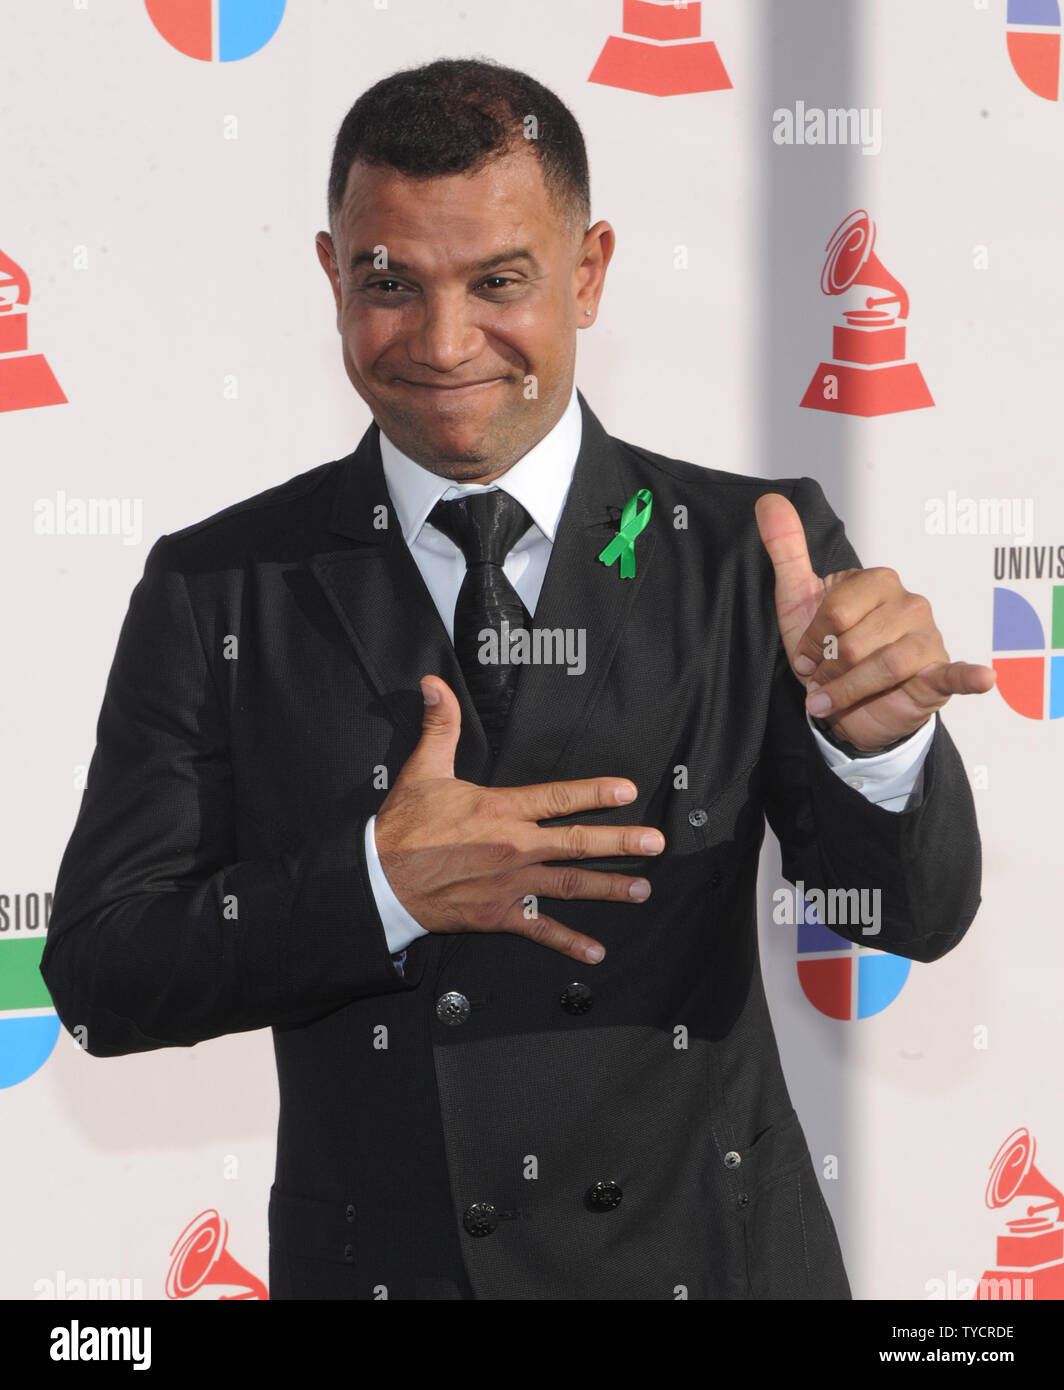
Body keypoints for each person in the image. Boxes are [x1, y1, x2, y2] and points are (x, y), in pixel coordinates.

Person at [41, 57, 993, 1300]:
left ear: (587, 271)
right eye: (390, 282)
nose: (443, 344)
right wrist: (378, 887)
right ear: (332, 275)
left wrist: (875, 753)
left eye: (499, 281)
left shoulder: (748, 552)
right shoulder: (220, 587)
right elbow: (105, 975)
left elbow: (907, 917)